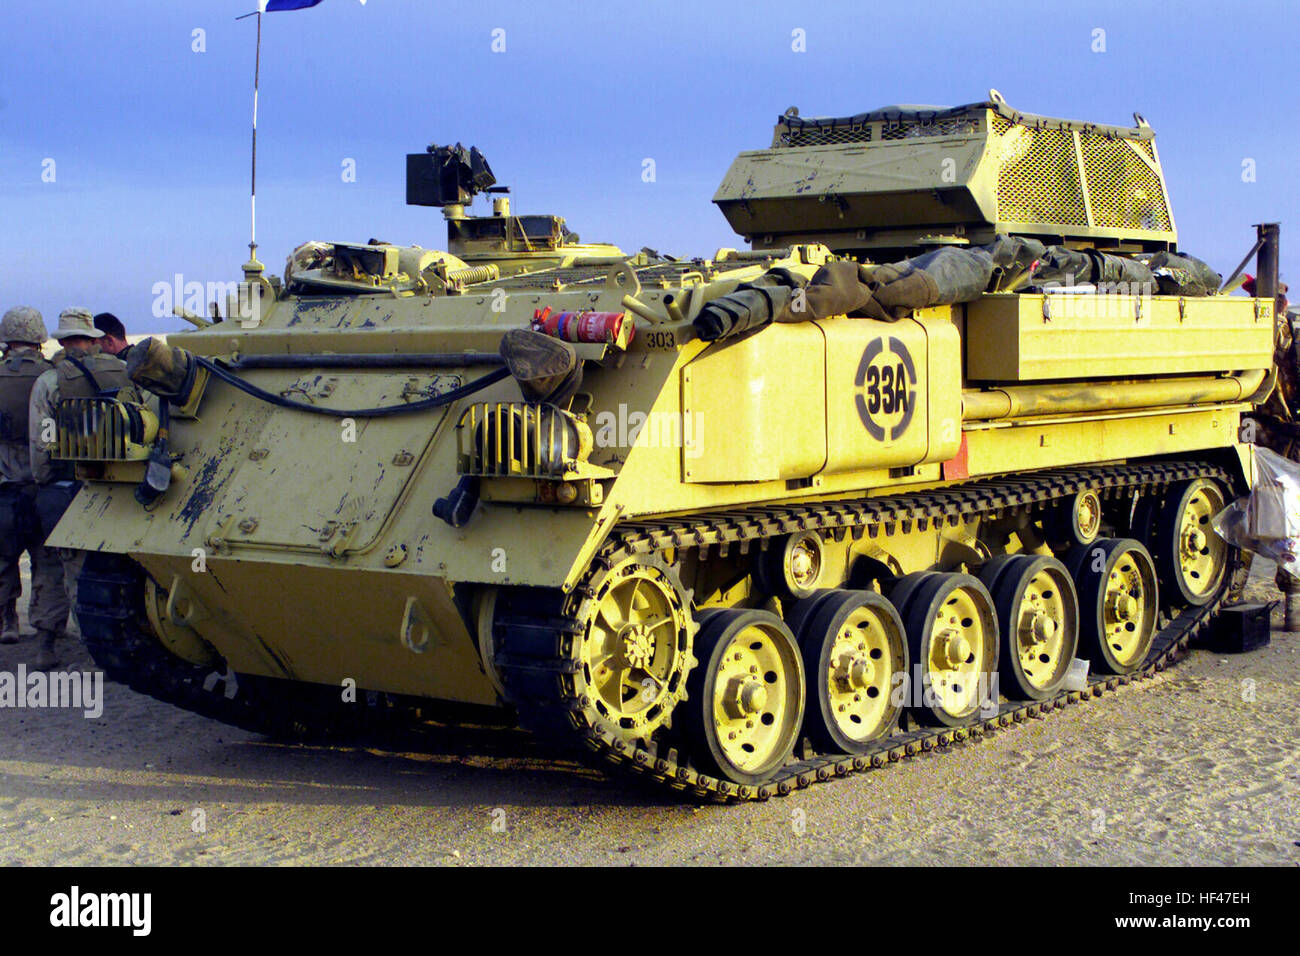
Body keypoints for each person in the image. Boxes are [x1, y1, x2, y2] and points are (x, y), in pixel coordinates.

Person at [27, 308, 134, 668]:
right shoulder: (123, 371)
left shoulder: (50, 382)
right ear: (92, 338)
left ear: (62, 340)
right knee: (116, 566)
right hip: (117, 489)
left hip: (65, 484)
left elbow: (42, 441)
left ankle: (52, 646)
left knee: (63, 568)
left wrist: (44, 481)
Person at [0, 307, 66, 660]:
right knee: (47, 560)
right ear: (39, 338)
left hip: (4, 487)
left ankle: (7, 622)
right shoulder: (52, 377)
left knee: (3, 559)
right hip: (45, 485)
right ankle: (46, 636)